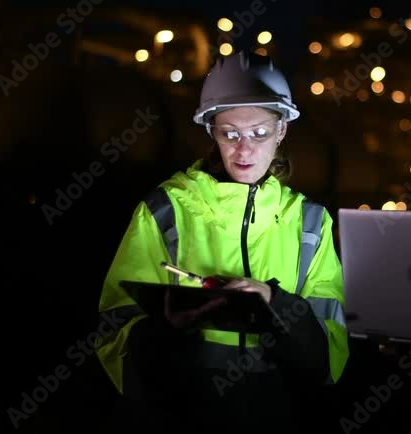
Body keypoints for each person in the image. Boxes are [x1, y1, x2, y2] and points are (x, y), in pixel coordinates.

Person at [95, 52, 349, 432]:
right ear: (211, 131)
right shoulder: (165, 211)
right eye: (230, 133)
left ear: (282, 129)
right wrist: (169, 331)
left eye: (259, 133)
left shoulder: (310, 223)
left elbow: (329, 358)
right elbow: (115, 340)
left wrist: (275, 302)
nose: (244, 150)